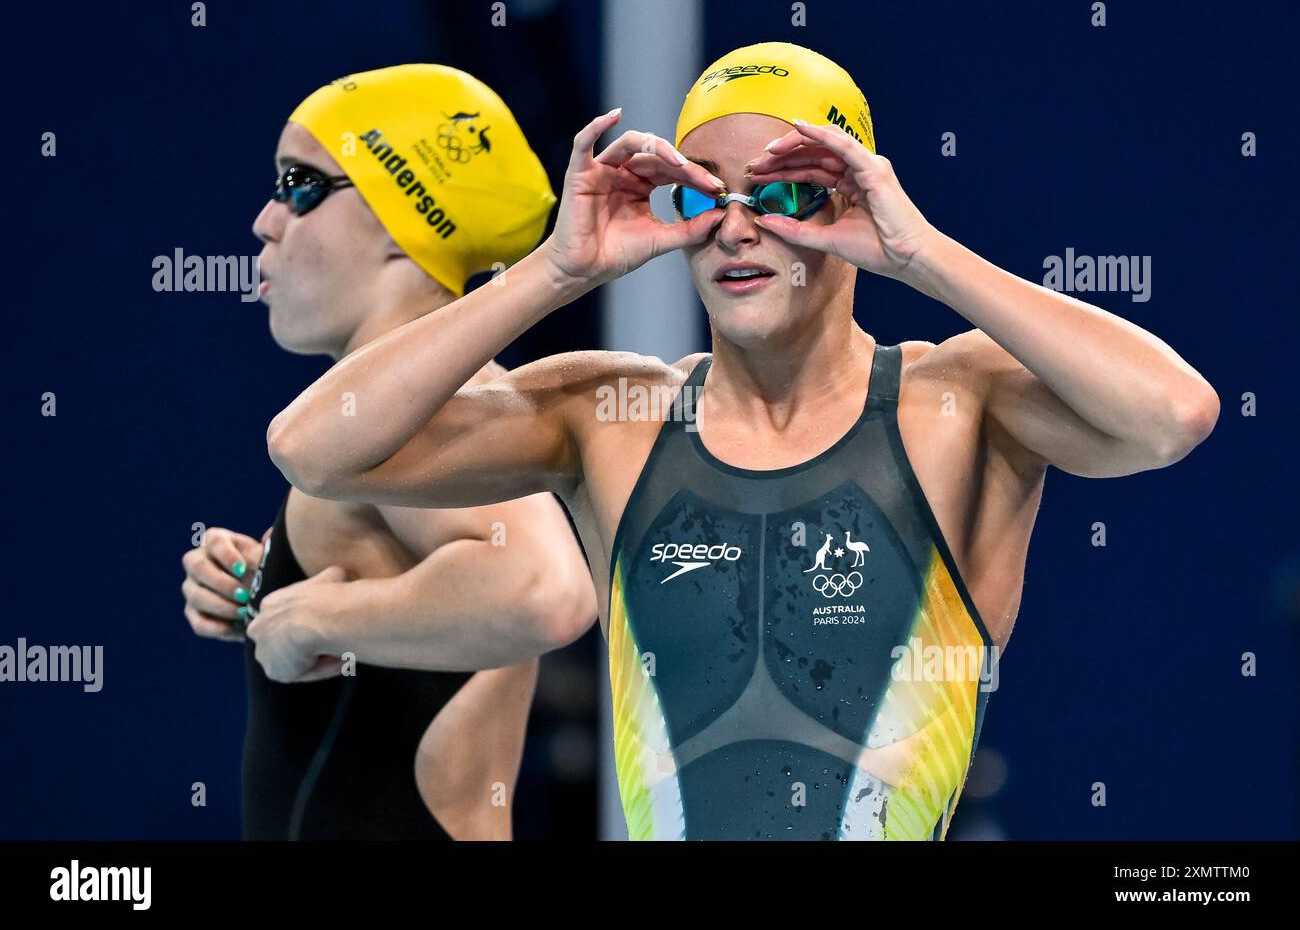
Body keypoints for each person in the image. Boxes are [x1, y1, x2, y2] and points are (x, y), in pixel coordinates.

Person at [265, 43, 1220, 840]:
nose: (735, 227)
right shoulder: (611, 418)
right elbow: (314, 447)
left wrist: (922, 253)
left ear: (855, 199)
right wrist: (556, 270)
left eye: (785, 194)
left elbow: (1171, 414)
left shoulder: (957, 403)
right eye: (699, 196)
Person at [179, 64, 596, 840]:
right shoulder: (390, 425)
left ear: (407, 221)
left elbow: (546, 590)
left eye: (298, 185)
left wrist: (319, 616)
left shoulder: (434, 410)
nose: (266, 221)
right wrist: (270, 592)